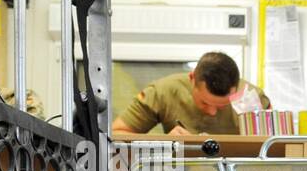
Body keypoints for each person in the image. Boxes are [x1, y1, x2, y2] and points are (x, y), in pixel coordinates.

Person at [110, 51, 270, 136]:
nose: (212, 112)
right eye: (205, 103)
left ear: (236, 87)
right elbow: (117, 134)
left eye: (222, 106)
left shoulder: (253, 99)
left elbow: (275, 150)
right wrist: (164, 144)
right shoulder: (163, 92)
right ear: (192, 78)